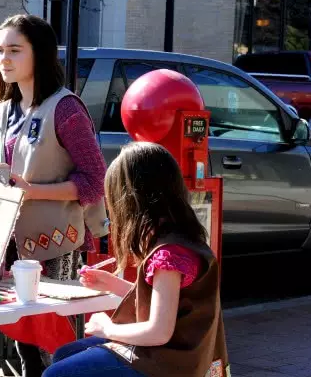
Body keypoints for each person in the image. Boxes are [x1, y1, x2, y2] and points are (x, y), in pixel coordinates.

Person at [43, 142, 229, 377]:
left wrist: (107, 328)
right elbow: (166, 300)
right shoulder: (183, 241)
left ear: (131, 202)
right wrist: (112, 284)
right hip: (175, 358)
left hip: (167, 364)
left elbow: (159, 332)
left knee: (56, 374)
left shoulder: (168, 255)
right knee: (65, 355)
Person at [0, 14, 108, 376]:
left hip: (56, 243)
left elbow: (94, 180)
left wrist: (31, 191)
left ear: (38, 54)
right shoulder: (2, 108)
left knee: (55, 344)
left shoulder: (66, 108)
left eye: (14, 50)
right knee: (22, 346)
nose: (4, 60)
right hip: (6, 242)